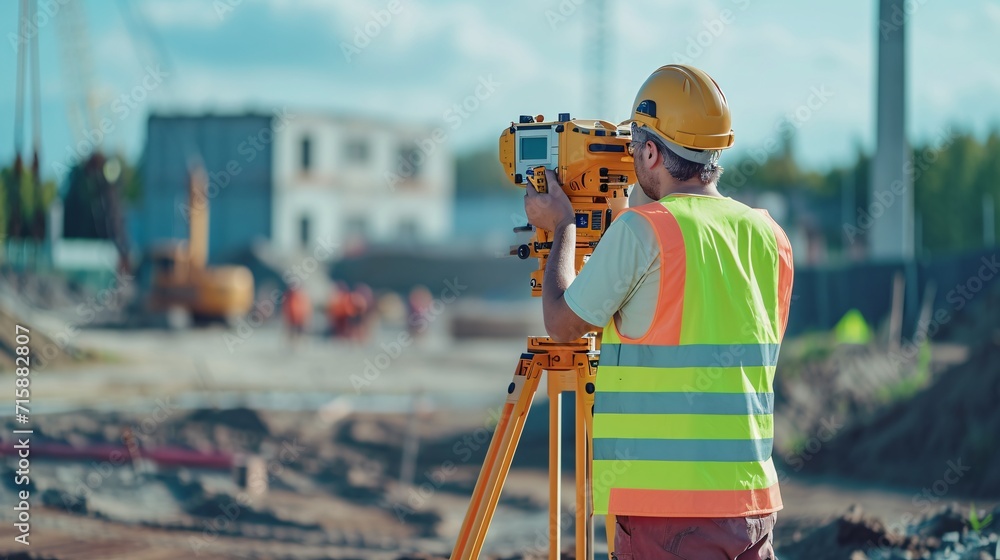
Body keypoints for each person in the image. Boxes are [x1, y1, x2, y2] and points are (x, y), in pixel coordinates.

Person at [523, 64, 794, 560]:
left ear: (651, 151)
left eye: (634, 147)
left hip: (665, 509)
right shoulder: (770, 235)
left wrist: (562, 227)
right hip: (748, 501)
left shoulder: (641, 231)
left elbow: (562, 325)